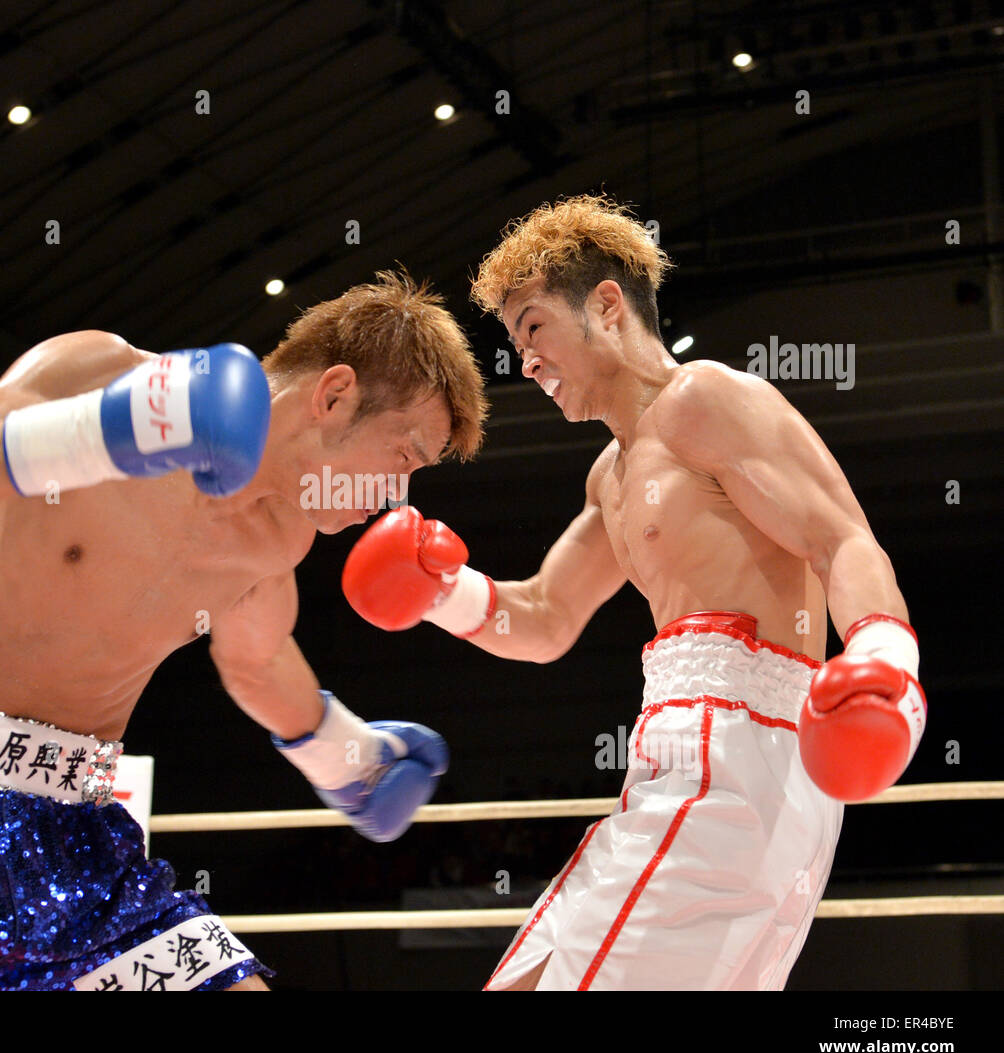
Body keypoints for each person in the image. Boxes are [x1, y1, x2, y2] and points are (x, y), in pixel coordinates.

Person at [0, 271, 487, 990]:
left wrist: (354, 758)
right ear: (335, 393)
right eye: (404, 456)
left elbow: (256, 661)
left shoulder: (280, 539)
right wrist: (103, 432)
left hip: (73, 849)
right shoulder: (106, 378)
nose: (394, 497)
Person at [341, 197, 926, 990]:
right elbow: (545, 618)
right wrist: (437, 589)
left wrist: (887, 665)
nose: (526, 360)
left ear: (607, 306)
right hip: (674, 765)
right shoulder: (609, 478)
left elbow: (841, 539)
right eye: (515, 342)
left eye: (535, 327)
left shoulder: (707, 400)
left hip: (742, 760)